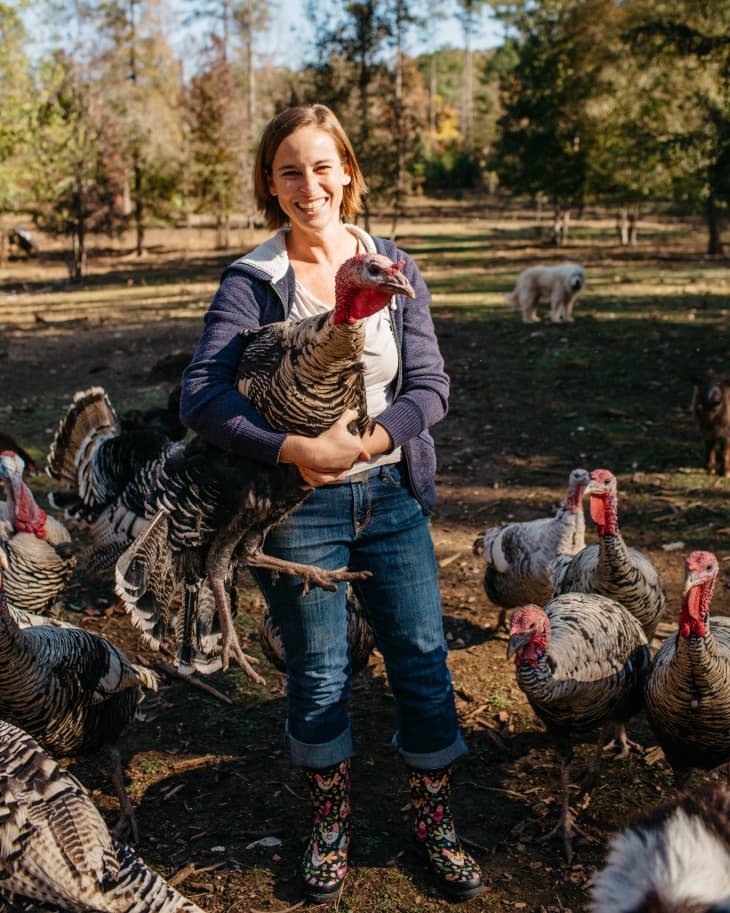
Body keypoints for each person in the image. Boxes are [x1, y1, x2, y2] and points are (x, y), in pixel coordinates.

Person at [179, 103, 483, 904]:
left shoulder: (392, 263)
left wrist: (375, 443)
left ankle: (435, 822)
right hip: (299, 506)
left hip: (389, 497)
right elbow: (201, 396)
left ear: (347, 172)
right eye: (289, 170)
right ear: (270, 186)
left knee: (422, 659)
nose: (308, 184)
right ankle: (329, 826)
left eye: (322, 166)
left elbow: (431, 387)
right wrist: (295, 451)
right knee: (317, 673)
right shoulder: (255, 281)